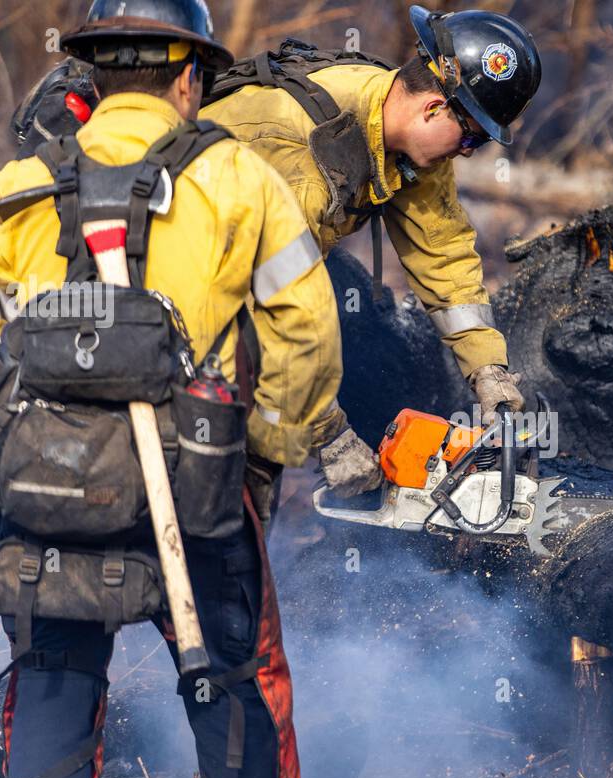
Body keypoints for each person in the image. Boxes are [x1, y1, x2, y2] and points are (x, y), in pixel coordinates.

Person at [0, 0, 337, 778]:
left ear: (89, 74)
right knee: (238, 699)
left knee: (49, 709)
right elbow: (308, 337)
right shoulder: (236, 175)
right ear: (189, 75)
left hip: (47, 501)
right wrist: (265, 453)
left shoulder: (14, 186)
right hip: (196, 494)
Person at [199, 5, 543, 495]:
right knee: (224, 486)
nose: (468, 151)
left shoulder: (402, 129)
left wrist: (490, 372)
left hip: (246, 292)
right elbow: (276, 307)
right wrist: (331, 435)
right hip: (171, 297)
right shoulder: (301, 152)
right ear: (432, 108)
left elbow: (442, 251)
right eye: (471, 137)